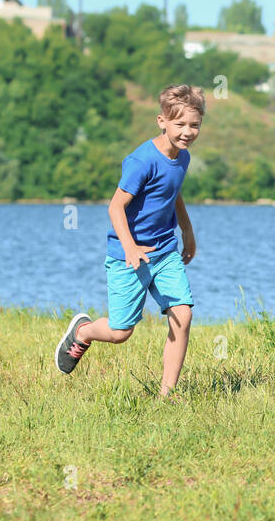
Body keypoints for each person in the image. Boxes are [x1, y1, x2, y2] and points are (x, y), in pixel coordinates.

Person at [53, 84, 203, 398]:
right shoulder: (142, 161)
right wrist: (130, 247)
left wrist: (187, 231)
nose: (187, 131)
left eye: (194, 125)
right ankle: (83, 331)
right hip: (127, 256)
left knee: (183, 314)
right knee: (121, 332)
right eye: (180, 124)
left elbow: (172, 194)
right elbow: (115, 206)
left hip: (164, 251)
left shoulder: (183, 158)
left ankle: (167, 394)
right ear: (161, 121)